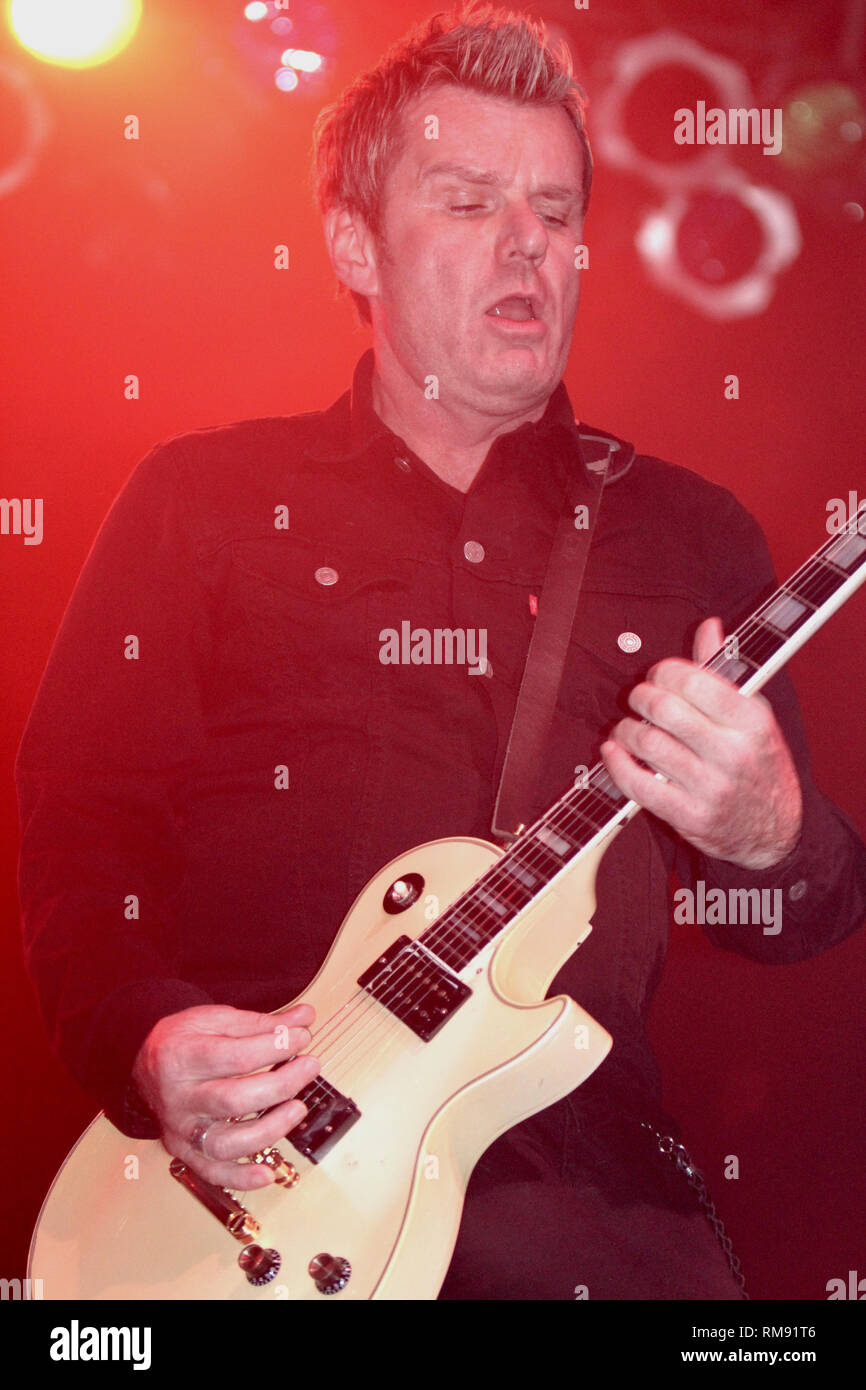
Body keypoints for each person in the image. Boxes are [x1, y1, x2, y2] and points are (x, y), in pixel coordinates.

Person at [16, 6, 866, 1301]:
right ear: (354, 243)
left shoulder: (687, 530)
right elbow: (78, 832)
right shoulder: (204, 496)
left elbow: (803, 909)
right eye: (468, 202)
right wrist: (144, 1039)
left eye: (552, 208)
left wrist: (766, 830)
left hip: (588, 1200)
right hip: (229, 1195)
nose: (528, 243)